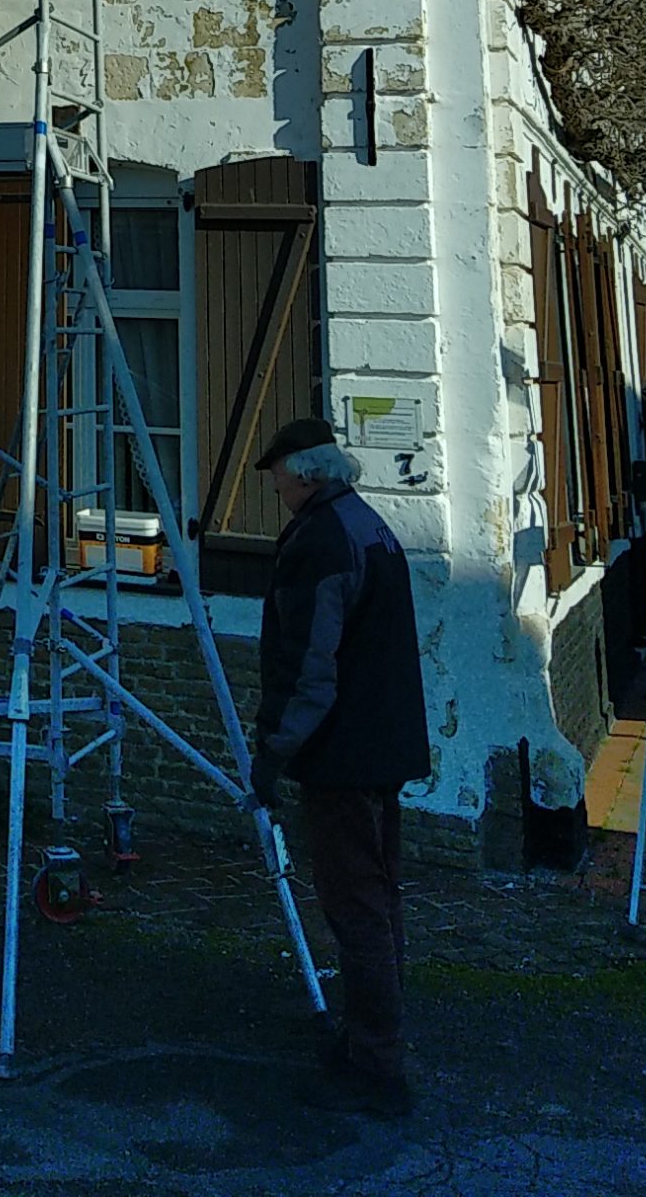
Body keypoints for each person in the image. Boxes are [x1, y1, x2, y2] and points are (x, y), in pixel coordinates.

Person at [248, 415, 429, 1119]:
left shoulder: (323, 541)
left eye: (278, 476)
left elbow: (309, 666)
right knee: (379, 899)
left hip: (343, 753)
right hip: (381, 744)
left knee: (355, 903)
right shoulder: (366, 524)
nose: (275, 489)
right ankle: (370, 1036)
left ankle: (376, 1063)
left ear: (303, 471)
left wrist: (274, 752)